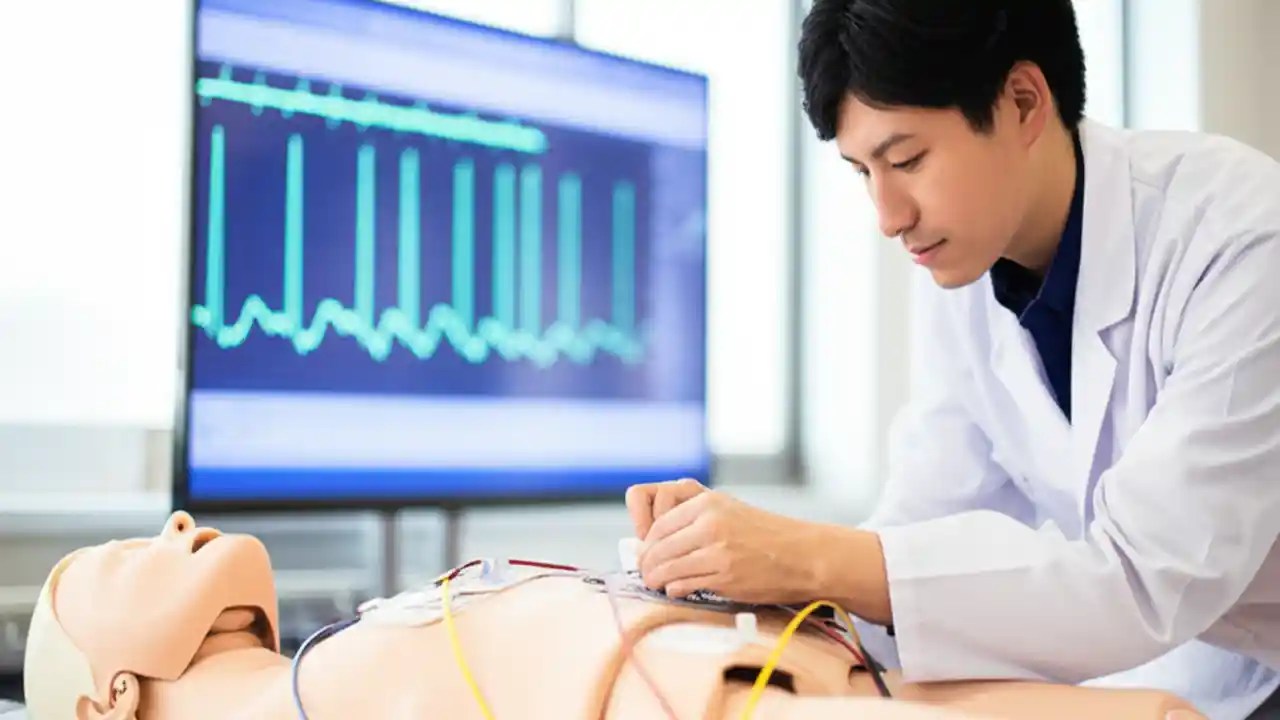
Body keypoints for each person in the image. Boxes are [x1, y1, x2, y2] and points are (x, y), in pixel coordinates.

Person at [623, 1, 1280, 719]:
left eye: (906, 160)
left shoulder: (1241, 241)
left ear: (1024, 102)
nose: (888, 215)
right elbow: (921, 523)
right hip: (1195, 668)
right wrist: (746, 581)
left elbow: (1142, 577)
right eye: (861, 171)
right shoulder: (968, 267)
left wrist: (804, 556)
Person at [21, 511, 1205, 720]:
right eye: (122, 556)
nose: (175, 525)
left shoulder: (333, 651)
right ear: (106, 700)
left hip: (746, 667)